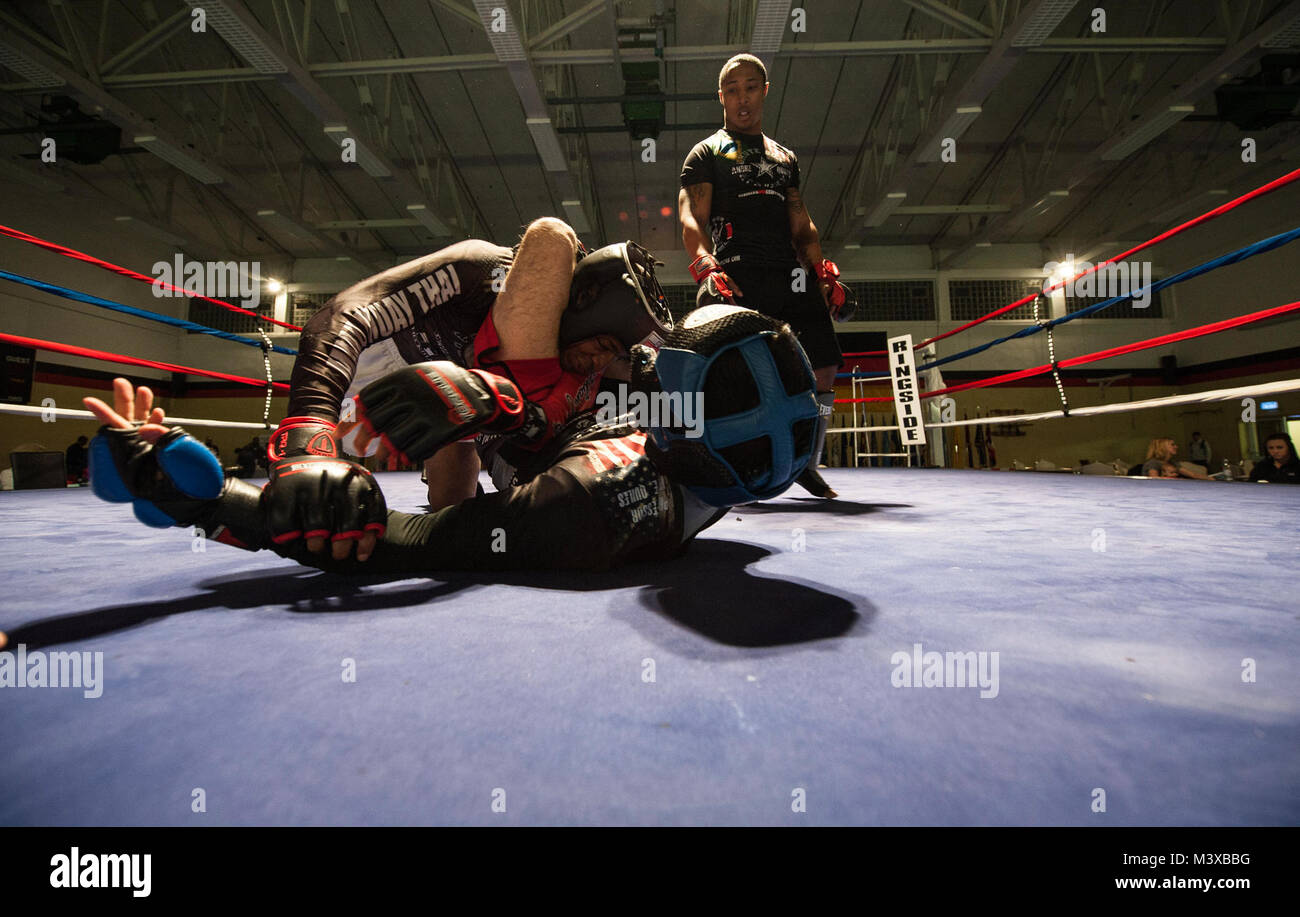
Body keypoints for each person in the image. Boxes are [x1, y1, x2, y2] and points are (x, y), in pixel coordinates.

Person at [80, 305, 820, 572]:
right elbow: (599, 430)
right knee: (482, 399)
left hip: (557, 488)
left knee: (347, 503)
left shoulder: (583, 508)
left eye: (663, 374)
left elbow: (406, 538)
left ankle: (168, 492)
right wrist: (507, 412)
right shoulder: (696, 449)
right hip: (558, 448)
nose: (643, 364)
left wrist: (210, 502)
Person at [267, 219, 672, 561]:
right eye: (600, 348)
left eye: (611, 355)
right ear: (583, 303)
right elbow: (344, 314)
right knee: (552, 235)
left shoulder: (576, 371)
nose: (599, 364)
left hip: (460, 406)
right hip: (362, 382)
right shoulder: (484, 269)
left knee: (454, 510)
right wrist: (309, 431)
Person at [678, 53, 852, 499]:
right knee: (736, 372)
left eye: (750, 87)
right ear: (721, 97)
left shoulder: (784, 157)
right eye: (732, 90)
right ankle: (732, 467)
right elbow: (690, 217)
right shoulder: (707, 153)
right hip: (735, 274)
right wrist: (704, 265)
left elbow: (802, 223)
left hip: (789, 274)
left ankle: (807, 463)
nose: (742, 98)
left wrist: (823, 270)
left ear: (764, 91)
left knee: (825, 364)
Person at [1141, 437, 1211, 480]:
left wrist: (1212, 479)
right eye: (1172, 445)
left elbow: (1193, 475)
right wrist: (1169, 478)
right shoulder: (1153, 463)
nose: (1176, 447)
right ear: (1163, 447)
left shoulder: (1172, 463)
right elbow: (1154, 480)